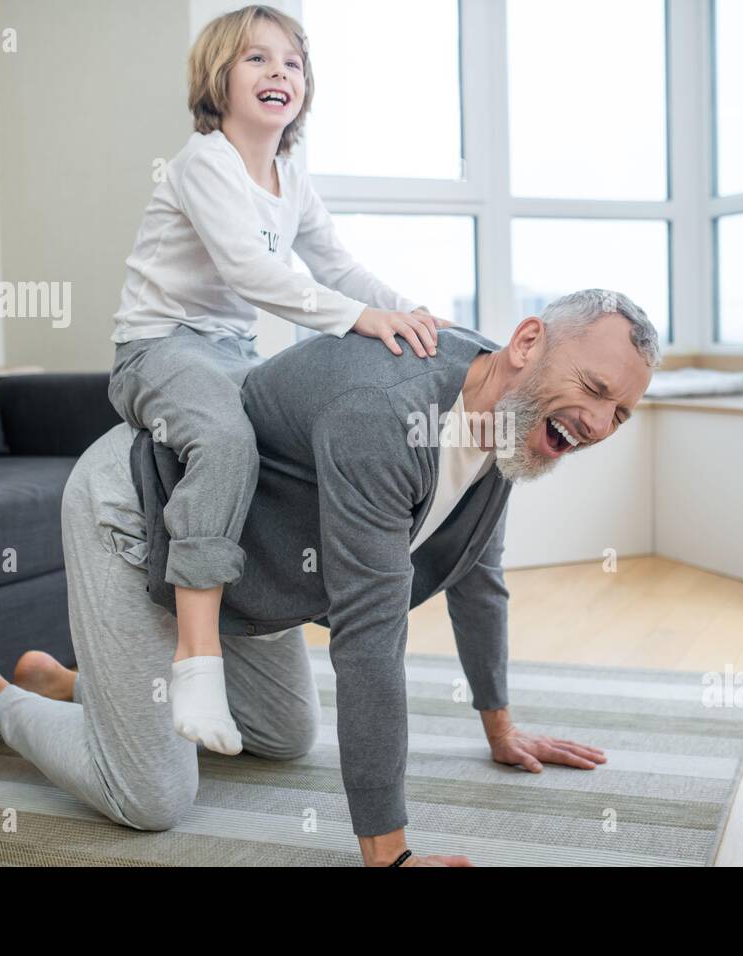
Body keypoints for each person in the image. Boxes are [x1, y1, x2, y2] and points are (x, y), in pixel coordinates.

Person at [0, 289, 660, 867]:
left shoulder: (510, 421)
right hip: (142, 514)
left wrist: (500, 726)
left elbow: (478, 577)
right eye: (594, 389)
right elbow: (370, 638)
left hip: (248, 565)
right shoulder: (387, 410)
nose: (598, 423)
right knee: (152, 800)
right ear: (528, 342)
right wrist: (389, 853)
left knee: (285, 737)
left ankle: (80, 687)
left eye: (620, 413)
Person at [109, 4, 446, 756]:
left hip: (229, 352)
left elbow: (336, 262)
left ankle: (266, 610)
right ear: (217, 79)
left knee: (287, 448)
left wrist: (406, 311)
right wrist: (359, 318)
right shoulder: (204, 162)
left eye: (292, 62)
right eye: (257, 60)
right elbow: (251, 271)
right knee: (227, 440)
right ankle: (198, 660)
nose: (278, 74)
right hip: (158, 348)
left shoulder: (291, 174)